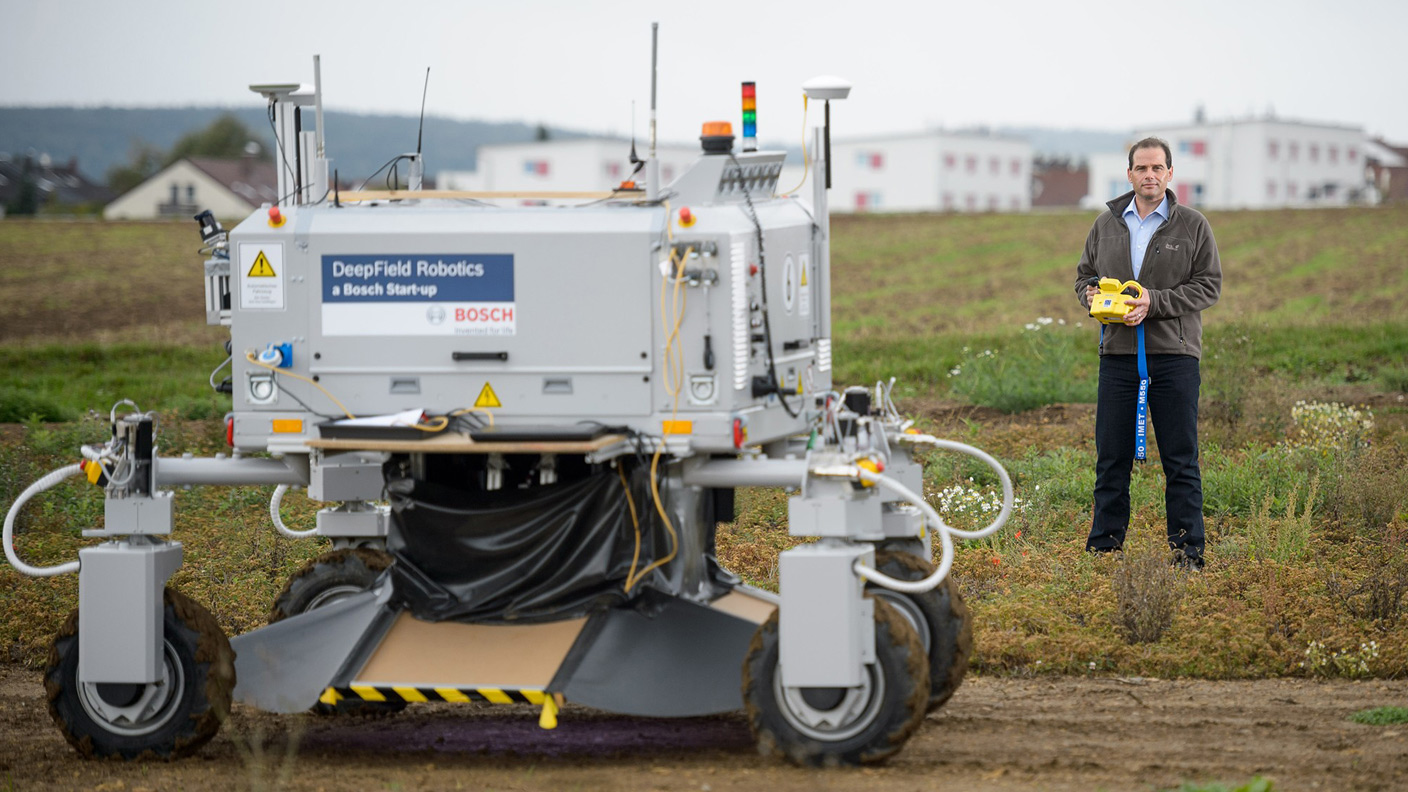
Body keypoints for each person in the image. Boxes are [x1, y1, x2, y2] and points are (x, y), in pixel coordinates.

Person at [1074, 137, 1222, 569]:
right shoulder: (1106, 225)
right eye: (1142, 168)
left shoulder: (1193, 225)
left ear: (1170, 173)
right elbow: (1084, 277)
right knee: (1111, 458)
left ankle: (1187, 552)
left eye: (1158, 168)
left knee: (1180, 459)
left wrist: (1153, 303)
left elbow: (1208, 286)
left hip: (1174, 355)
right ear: (1130, 174)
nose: (1150, 175)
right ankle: (1104, 549)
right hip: (1117, 355)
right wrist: (1093, 298)